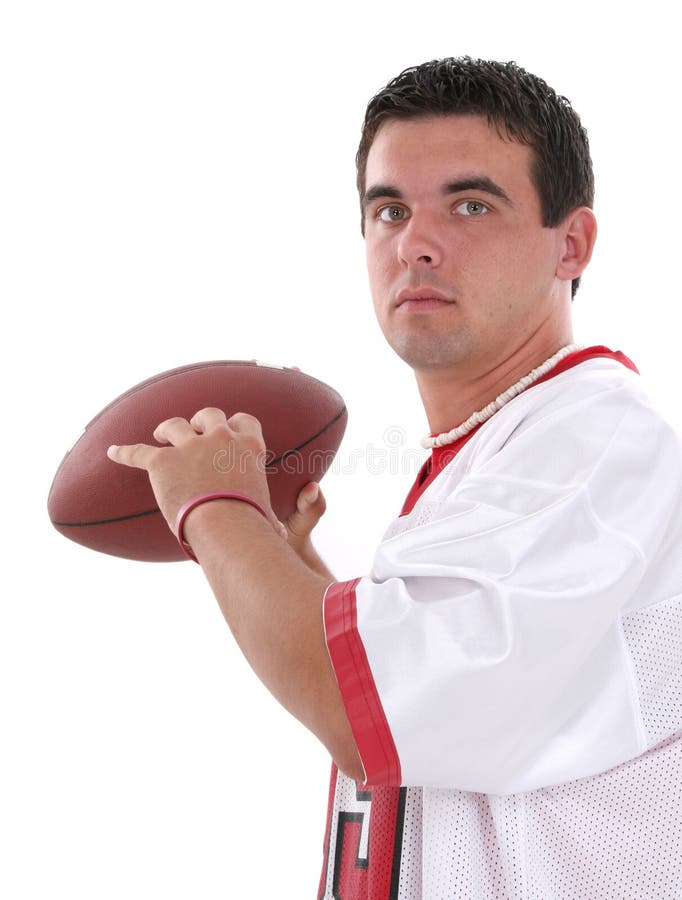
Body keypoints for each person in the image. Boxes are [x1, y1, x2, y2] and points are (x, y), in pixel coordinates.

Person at [108, 58, 682, 898]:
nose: (414, 241)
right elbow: (432, 717)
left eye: (471, 204)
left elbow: (360, 703)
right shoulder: (501, 448)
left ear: (572, 244)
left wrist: (215, 505)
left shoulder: (599, 439)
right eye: (390, 209)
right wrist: (285, 563)